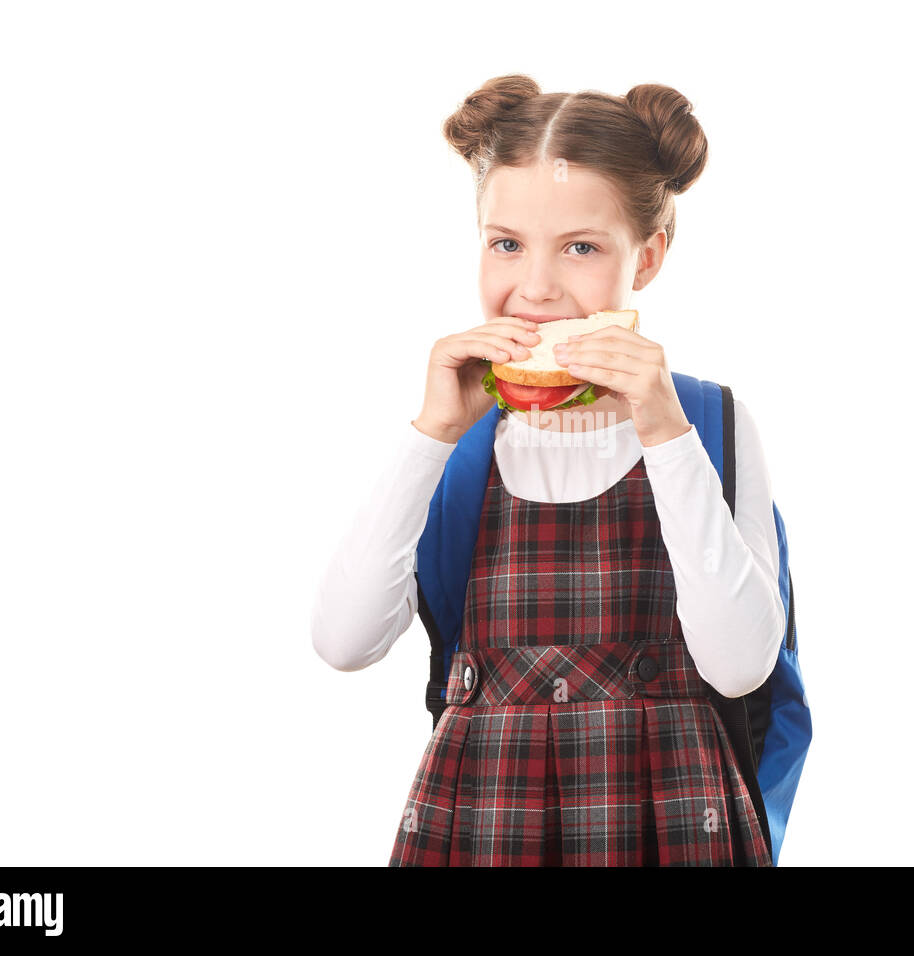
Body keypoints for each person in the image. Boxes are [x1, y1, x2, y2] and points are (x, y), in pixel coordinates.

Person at [311, 74, 788, 865]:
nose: (534, 288)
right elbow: (343, 641)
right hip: (486, 824)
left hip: (670, 824)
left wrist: (665, 431)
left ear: (650, 256)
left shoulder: (708, 422)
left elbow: (739, 670)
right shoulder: (458, 443)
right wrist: (432, 432)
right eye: (507, 244)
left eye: (581, 247)